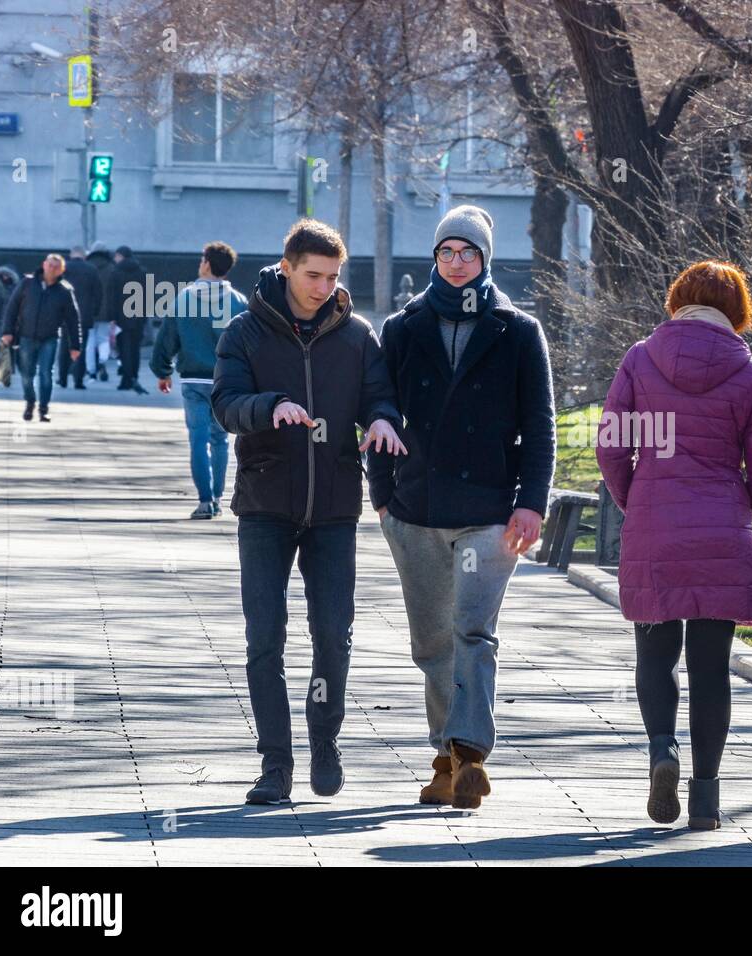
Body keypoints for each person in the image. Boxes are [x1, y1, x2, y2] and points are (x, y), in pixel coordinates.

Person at [367, 204, 556, 810]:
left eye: (467, 253)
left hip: (488, 512)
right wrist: (381, 497)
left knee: (471, 630)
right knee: (432, 642)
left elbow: (541, 426)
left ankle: (470, 751)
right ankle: (446, 757)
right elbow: (377, 413)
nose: (455, 263)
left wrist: (531, 503)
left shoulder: (517, 330)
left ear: (485, 260)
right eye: (447, 252)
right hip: (414, 508)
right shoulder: (401, 328)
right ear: (434, 258)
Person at [212, 219, 404, 805]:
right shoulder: (245, 332)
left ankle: (324, 741)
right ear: (288, 267)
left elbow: (381, 398)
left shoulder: (357, 336)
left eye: (332, 277)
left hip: (333, 509)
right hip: (266, 503)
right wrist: (270, 407)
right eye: (313, 275)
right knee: (264, 640)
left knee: (332, 637)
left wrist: (381, 419)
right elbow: (224, 403)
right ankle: (275, 765)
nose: (323, 287)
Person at [595, 260, 752, 830]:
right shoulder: (750, 372)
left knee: (654, 656)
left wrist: (639, 499)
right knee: (711, 669)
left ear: (677, 301)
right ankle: (705, 799)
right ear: (737, 311)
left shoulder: (639, 358)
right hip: (722, 531)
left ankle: (661, 751)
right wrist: (740, 507)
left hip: (655, 528)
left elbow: (609, 447)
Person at [151, 241, 248, 519]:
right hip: (226, 382)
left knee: (198, 440)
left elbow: (166, 339)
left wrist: (163, 371)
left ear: (206, 264)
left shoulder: (184, 299)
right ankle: (218, 497)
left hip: (193, 380)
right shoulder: (238, 302)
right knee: (220, 440)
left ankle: (204, 501)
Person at [0, 254, 81, 422]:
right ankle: (30, 402)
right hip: (26, 336)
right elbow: (12, 308)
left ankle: (43, 408)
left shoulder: (64, 290)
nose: (52, 269)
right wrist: (7, 331)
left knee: (46, 373)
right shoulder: (27, 283)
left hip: (49, 338)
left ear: (61, 270)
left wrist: (75, 346)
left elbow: (73, 320)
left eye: (56, 267)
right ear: (44, 265)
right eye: (49, 265)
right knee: (27, 374)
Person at [57, 245, 103, 390]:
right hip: (84, 315)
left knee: (64, 347)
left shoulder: (64, 269)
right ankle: (78, 380)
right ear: (84, 255)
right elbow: (98, 294)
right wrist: (94, 311)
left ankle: (63, 378)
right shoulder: (91, 270)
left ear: (71, 254)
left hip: (64, 315)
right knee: (81, 348)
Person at [106, 245, 147, 393]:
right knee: (135, 349)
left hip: (121, 317)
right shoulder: (142, 272)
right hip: (137, 315)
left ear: (120, 256)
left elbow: (112, 297)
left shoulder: (115, 273)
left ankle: (126, 379)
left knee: (124, 349)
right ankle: (134, 376)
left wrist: (112, 317)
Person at [85, 242, 114, 381]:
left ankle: (91, 371)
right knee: (103, 339)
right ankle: (102, 361)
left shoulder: (87, 267)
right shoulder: (111, 268)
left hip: (89, 309)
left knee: (89, 341)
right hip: (106, 310)